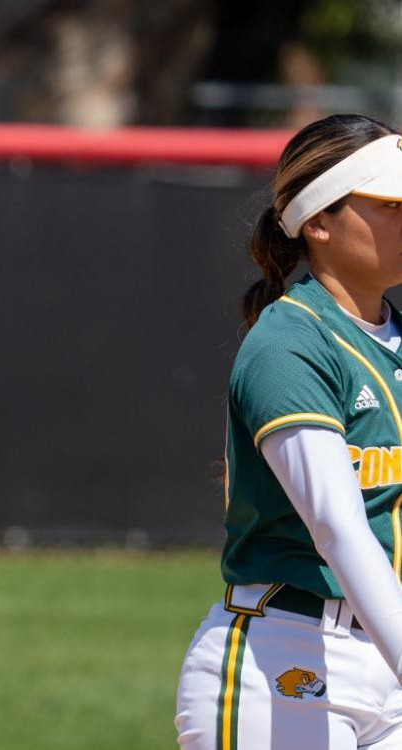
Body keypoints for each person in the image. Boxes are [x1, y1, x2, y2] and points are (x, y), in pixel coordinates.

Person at [175, 113, 402, 749]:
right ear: (318, 222)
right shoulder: (290, 342)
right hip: (286, 655)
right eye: (389, 204)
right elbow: (336, 524)